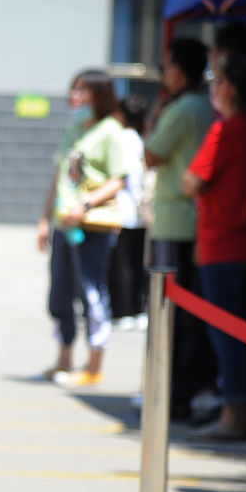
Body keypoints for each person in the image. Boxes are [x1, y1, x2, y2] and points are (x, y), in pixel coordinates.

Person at [182, 52, 246, 440]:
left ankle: (234, 413)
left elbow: (192, 181)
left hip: (222, 243)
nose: (212, 89)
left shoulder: (226, 128)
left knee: (226, 333)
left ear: (228, 87)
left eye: (215, 81)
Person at [36, 70, 128, 386]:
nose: (75, 97)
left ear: (99, 95)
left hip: (93, 227)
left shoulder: (111, 131)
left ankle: (93, 366)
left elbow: (119, 180)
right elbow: (58, 177)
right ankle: (63, 360)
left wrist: (85, 205)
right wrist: (45, 220)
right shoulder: (74, 130)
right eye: (74, 90)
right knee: (60, 293)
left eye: (83, 91)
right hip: (64, 226)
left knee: (91, 293)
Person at [144, 38, 218, 419]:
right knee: (190, 315)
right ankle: (189, 391)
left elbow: (150, 154)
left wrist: (156, 113)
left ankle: (173, 393)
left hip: (175, 220)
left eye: (167, 67)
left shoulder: (183, 108)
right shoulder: (205, 105)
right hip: (194, 219)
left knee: (170, 313)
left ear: (182, 70)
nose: (163, 74)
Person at [108, 94, 148, 327]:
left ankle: (124, 310)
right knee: (134, 261)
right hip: (137, 210)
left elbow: (130, 175)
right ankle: (135, 308)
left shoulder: (124, 138)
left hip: (125, 209)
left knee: (122, 263)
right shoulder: (138, 138)